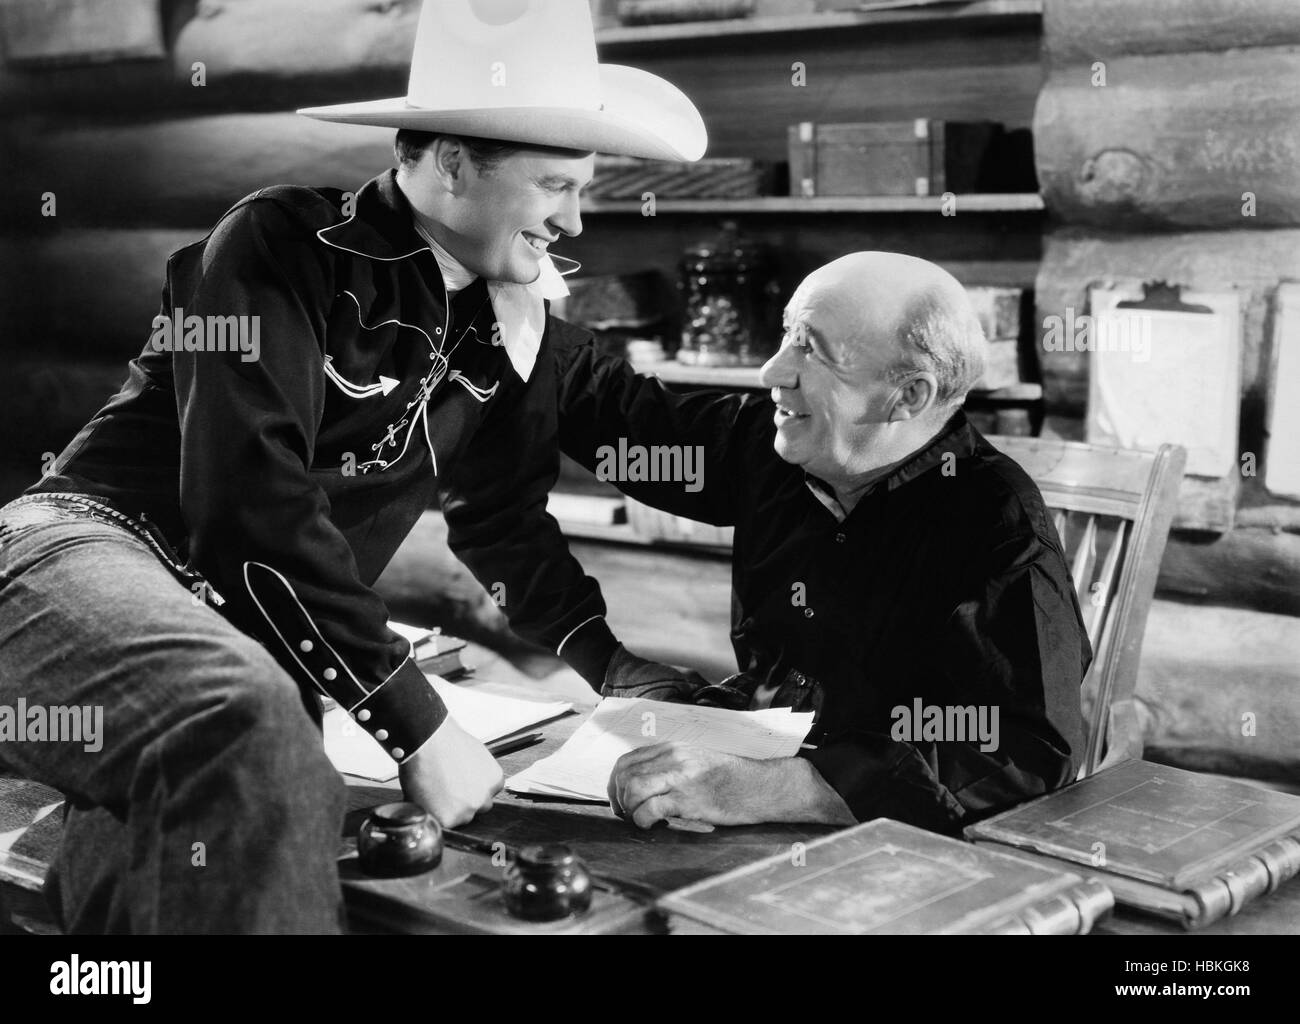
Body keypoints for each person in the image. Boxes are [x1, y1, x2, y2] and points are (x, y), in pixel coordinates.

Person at [0, 0, 705, 933]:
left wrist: (609, 663)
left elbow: (503, 516)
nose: (575, 219)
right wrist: (411, 719)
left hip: (241, 639)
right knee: (244, 720)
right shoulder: (276, 243)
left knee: (225, 800)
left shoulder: (518, 327)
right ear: (455, 162)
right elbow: (249, 503)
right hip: (79, 555)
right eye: (557, 185)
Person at [555, 252, 1089, 835]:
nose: (772, 372)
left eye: (812, 349)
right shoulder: (771, 442)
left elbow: (1028, 749)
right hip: (750, 765)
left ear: (907, 396)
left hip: (884, 843)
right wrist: (508, 298)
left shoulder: (993, 515)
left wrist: (781, 788)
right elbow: (618, 417)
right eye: (787, 334)